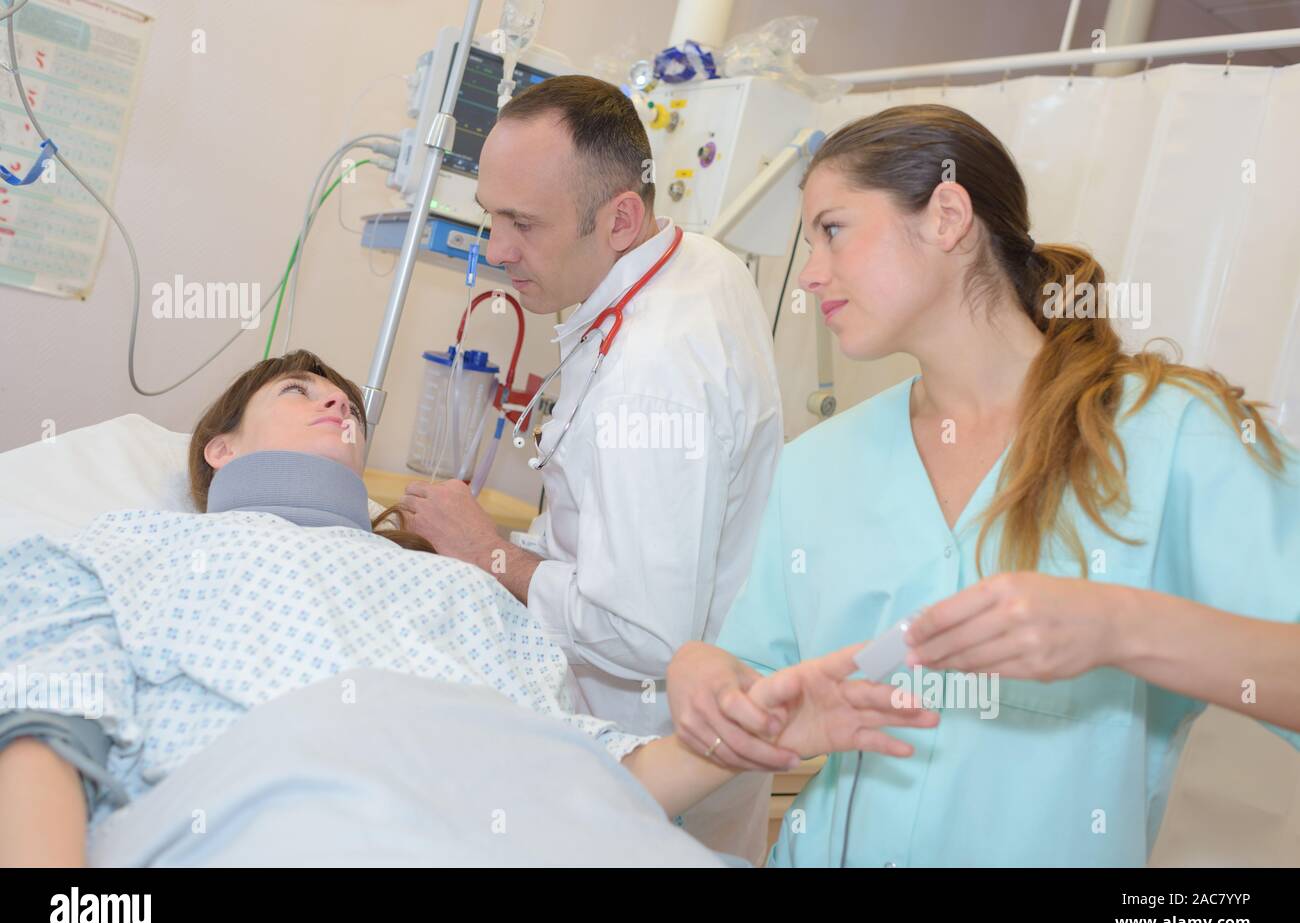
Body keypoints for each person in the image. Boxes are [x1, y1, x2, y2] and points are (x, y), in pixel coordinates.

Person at [666, 104, 1300, 867]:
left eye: (832, 229)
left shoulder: (1171, 436)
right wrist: (704, 674)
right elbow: (760, 688)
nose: (809, 273)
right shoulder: (819, 464)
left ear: (947, 215)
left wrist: (1120, 625)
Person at [0, 351, 934, 866]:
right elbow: (44, 728)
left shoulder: (455, 585)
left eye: (346, 399)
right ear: (218, 449)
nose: (336, 403)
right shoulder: (128, 544)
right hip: (285, 809)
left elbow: (587, 765)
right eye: (300, 391)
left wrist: (739, 729)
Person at [397, 75, 784, 860]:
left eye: (523, 224)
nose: (496, 250)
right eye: (490, 216)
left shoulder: (655, 369)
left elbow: (644, 630)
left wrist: (490, 554)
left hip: (642, 754)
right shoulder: (697, 261)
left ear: (619, 218)